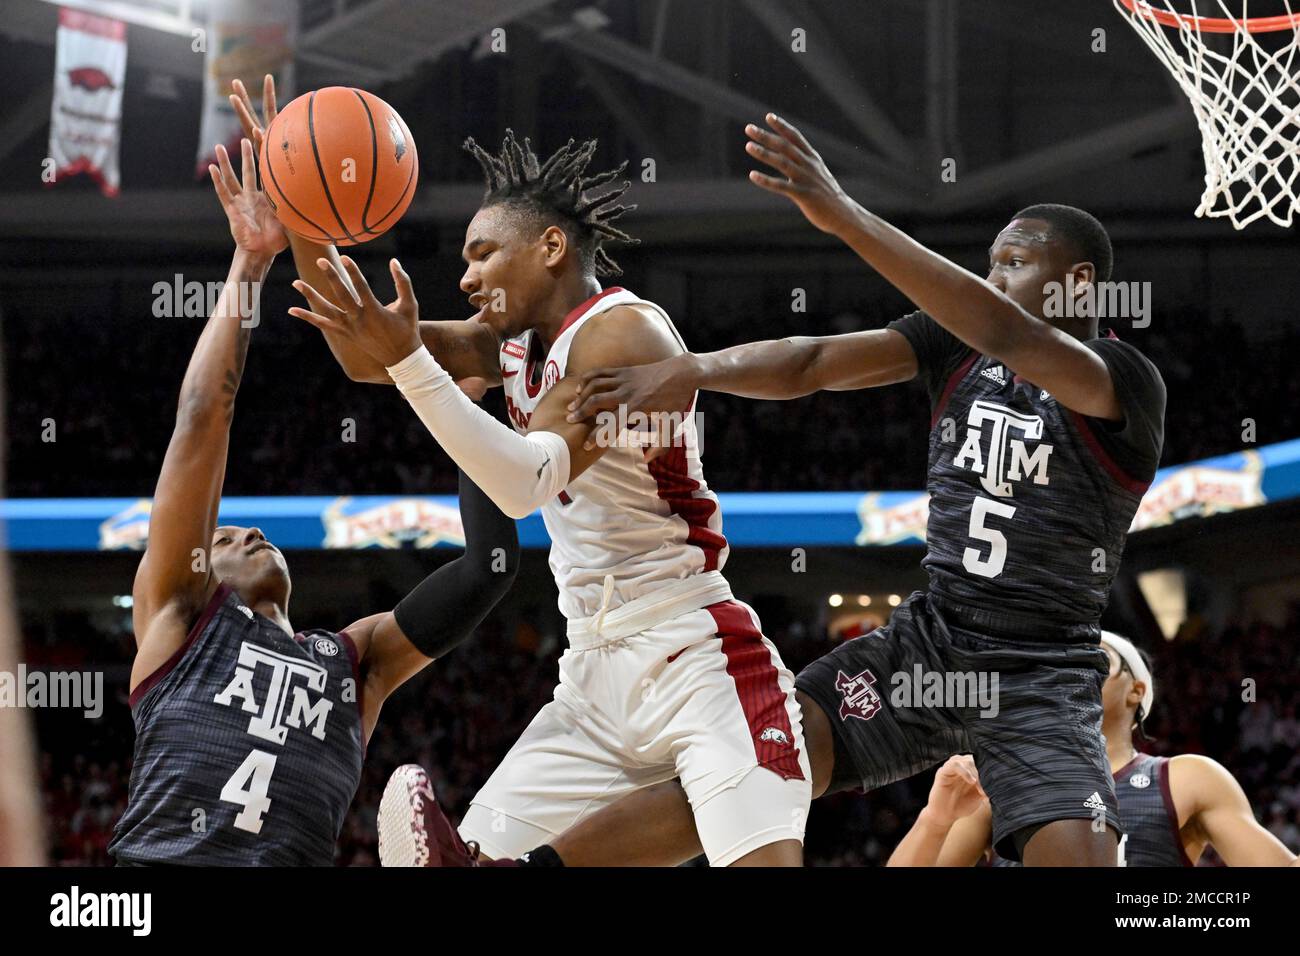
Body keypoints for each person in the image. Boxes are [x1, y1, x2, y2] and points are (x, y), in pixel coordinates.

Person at [535, 113, 1167, 867]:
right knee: (753, 764)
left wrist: (846, 216)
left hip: (1042, 673)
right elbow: (813, 362)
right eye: (991, 265)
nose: (994, 280)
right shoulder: (954, 345)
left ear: (1078, 284)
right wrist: (696, 367)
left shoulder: (1124, 379)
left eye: (1015, 264)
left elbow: (1012, 335)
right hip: (930, 644)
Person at [259, 72, 811, 864]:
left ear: (550, 247)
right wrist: (301, 209)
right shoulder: (514, 344)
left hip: (696, 656)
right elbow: (361, 354)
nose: (465, 276)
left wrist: (412, 361)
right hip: (590, 675)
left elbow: (525, 481)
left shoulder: (626, 334)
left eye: (482, 253)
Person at [107, 136, 517, 865]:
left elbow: (488, 569)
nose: (250, 529)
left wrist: (474, 416)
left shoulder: (354, 661)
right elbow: (204, 413)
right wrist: (251, 261)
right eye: (228, 537)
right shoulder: (179, 613)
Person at [887, 632, 1298, 867]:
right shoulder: (1001, 782)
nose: (1073, 670)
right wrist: (935, 818)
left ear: (1136, 691)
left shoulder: (1187, 777)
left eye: (1096, 660)